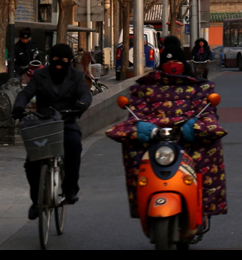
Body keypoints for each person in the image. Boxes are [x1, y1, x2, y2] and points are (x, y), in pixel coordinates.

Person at [106, 36, 228, 222]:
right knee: (132, 149)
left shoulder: (198, 88)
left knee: (210, 146)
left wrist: (193, 127)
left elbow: (208, 115)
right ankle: (141, 203)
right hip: (155, 139)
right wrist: (144, 128)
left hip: (187, 136)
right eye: (168, 62)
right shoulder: (145, 89)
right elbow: (137, 113)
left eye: (177, 61)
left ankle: (205, 205)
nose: (173, 65)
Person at [12, 43, 92, 220]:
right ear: (50, 59)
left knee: (73, 147)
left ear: (70, 61)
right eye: (56, 60)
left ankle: (70, 189)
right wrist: (18, 106)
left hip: (67, 121)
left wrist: (81, 105)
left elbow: (85, 94)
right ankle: (36, 201)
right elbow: (26, 93)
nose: (59, 64)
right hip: (44, 122)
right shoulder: (40, 75)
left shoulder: (77, 76)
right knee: (32, 162)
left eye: (64, 60)